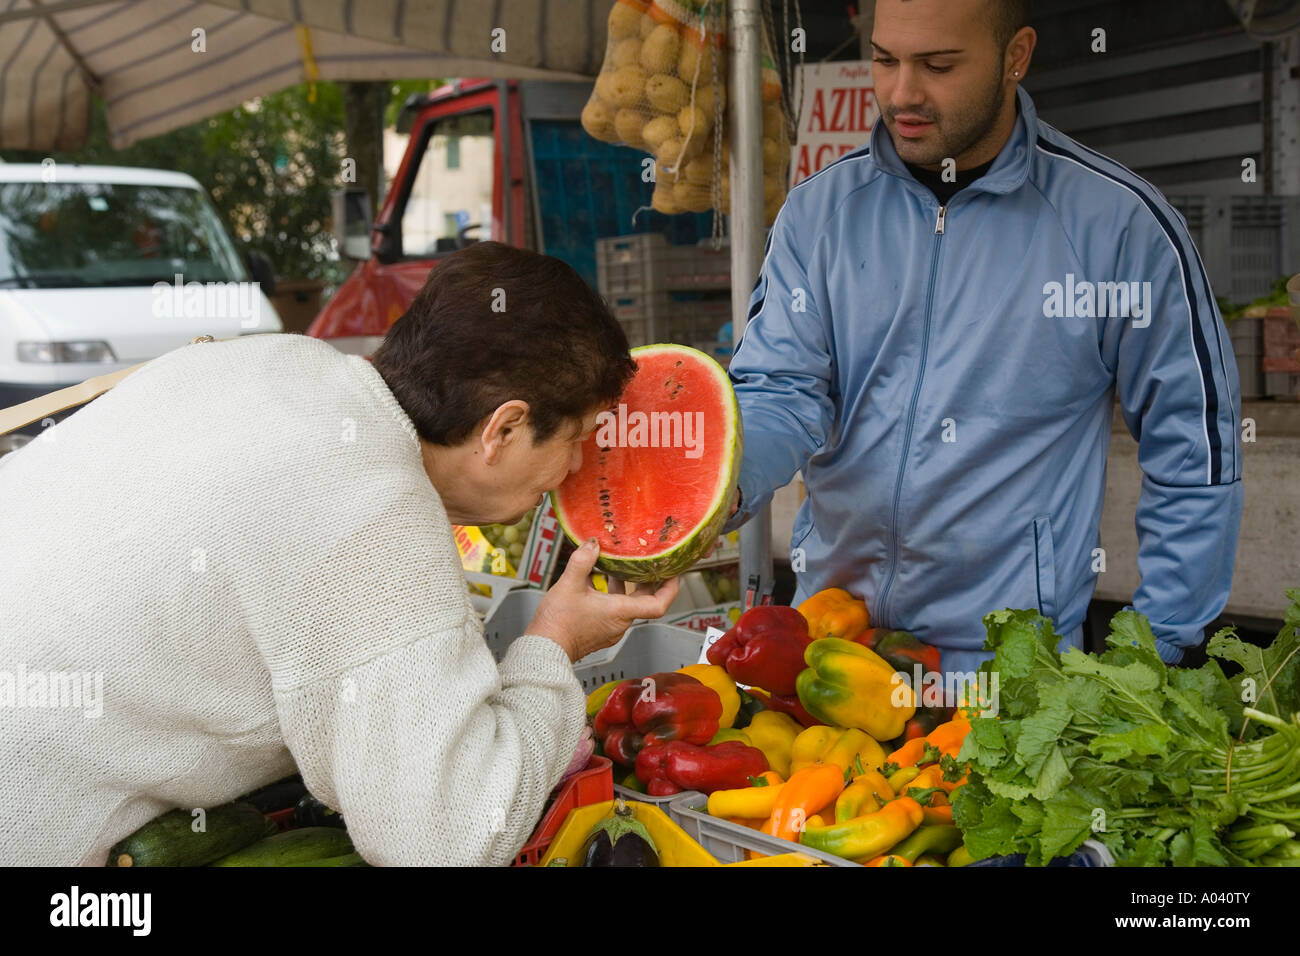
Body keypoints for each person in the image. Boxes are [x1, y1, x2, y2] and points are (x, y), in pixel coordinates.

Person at [0, 241, 679, 866]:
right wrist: (554, 643)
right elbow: (445, 836)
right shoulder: (368, 505)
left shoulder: (276, 363)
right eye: (579, 438)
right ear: (504, 428)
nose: (577, 468)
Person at [724, 0, 1242, 677]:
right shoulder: (818, 214)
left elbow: (1193, 443)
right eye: (884, 60)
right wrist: (722, 487)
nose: (902, 93)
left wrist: (1159, 645)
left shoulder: (1120, 228)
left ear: (1015, 56)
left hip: (1012, 676)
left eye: (938, 65)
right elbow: (777, 392)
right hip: (832, 655)